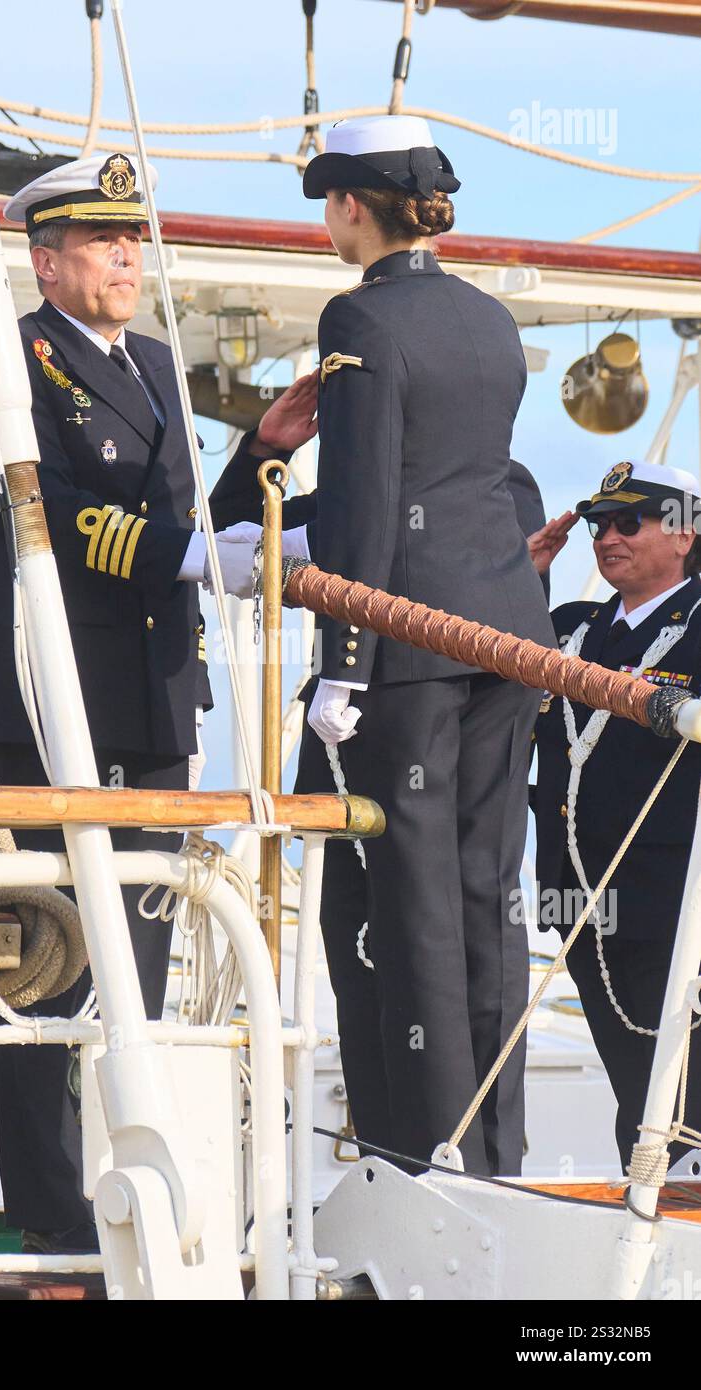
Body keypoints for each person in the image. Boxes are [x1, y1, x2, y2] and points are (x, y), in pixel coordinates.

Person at [0, 151, 315, 1251]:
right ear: (46, 260)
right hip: (55, 698)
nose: (127, 256)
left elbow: (173, 514)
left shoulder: (156, 363)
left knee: (141, 969)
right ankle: (56, 1217)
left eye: (133, 239)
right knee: (54, 960)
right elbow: (57, 518)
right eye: (104, 242)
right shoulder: (5, 361)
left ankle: (138, 1194)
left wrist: (256, 450)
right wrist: (197, 559)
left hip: (156, 700)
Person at [215, 114, 556, 1177]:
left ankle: (424, 1157)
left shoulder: (358, 316)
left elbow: (362, 507)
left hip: (405, 650)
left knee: (405, 909)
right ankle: (494, 1154)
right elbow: (474, 484)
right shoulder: (489, 320)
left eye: (327, 205)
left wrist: (344, 665)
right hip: (505, 639)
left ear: (349, 205)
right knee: (486, 901)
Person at [534, 459, 701, 1172]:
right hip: (581, 900)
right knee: (636, 1093)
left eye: (628, 522)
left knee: (687, 1096)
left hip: (676, 905)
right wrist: (525, 575)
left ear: (684, 533)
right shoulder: (568, 629)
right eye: (599, 524)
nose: (607, 537)